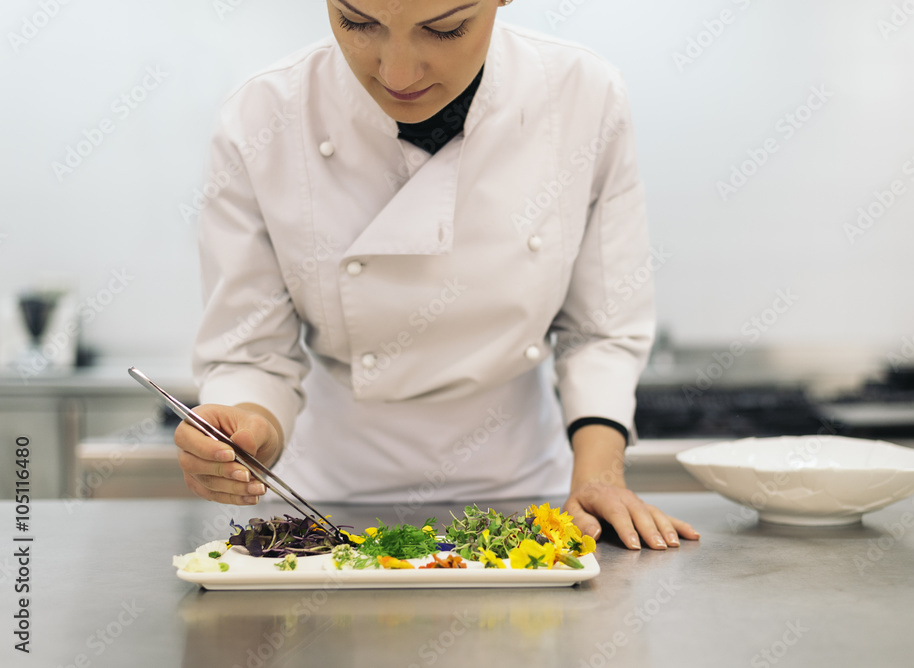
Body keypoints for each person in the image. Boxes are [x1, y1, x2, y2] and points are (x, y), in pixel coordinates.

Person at [175, 0, 699, 550]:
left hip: (524, 504)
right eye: (358, 22)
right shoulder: (261, 117)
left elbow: (600, 331)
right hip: (330, 512)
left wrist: (598, 476)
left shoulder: (581, 95)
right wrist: (245, 427)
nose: (397, 73)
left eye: (445, 29)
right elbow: (252, 353)